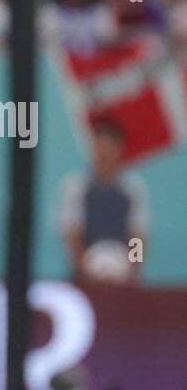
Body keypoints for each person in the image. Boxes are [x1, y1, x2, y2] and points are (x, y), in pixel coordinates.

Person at [55, 119, 150, 285]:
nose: (103, 154)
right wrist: (85, 270)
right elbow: (71, 234)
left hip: (123, 275)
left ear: (119, 148)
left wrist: (133, 270)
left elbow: (138, 236)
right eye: (99, 147)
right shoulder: (75, 186)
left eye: (109, 148)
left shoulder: (133, 188)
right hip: (85, 275)